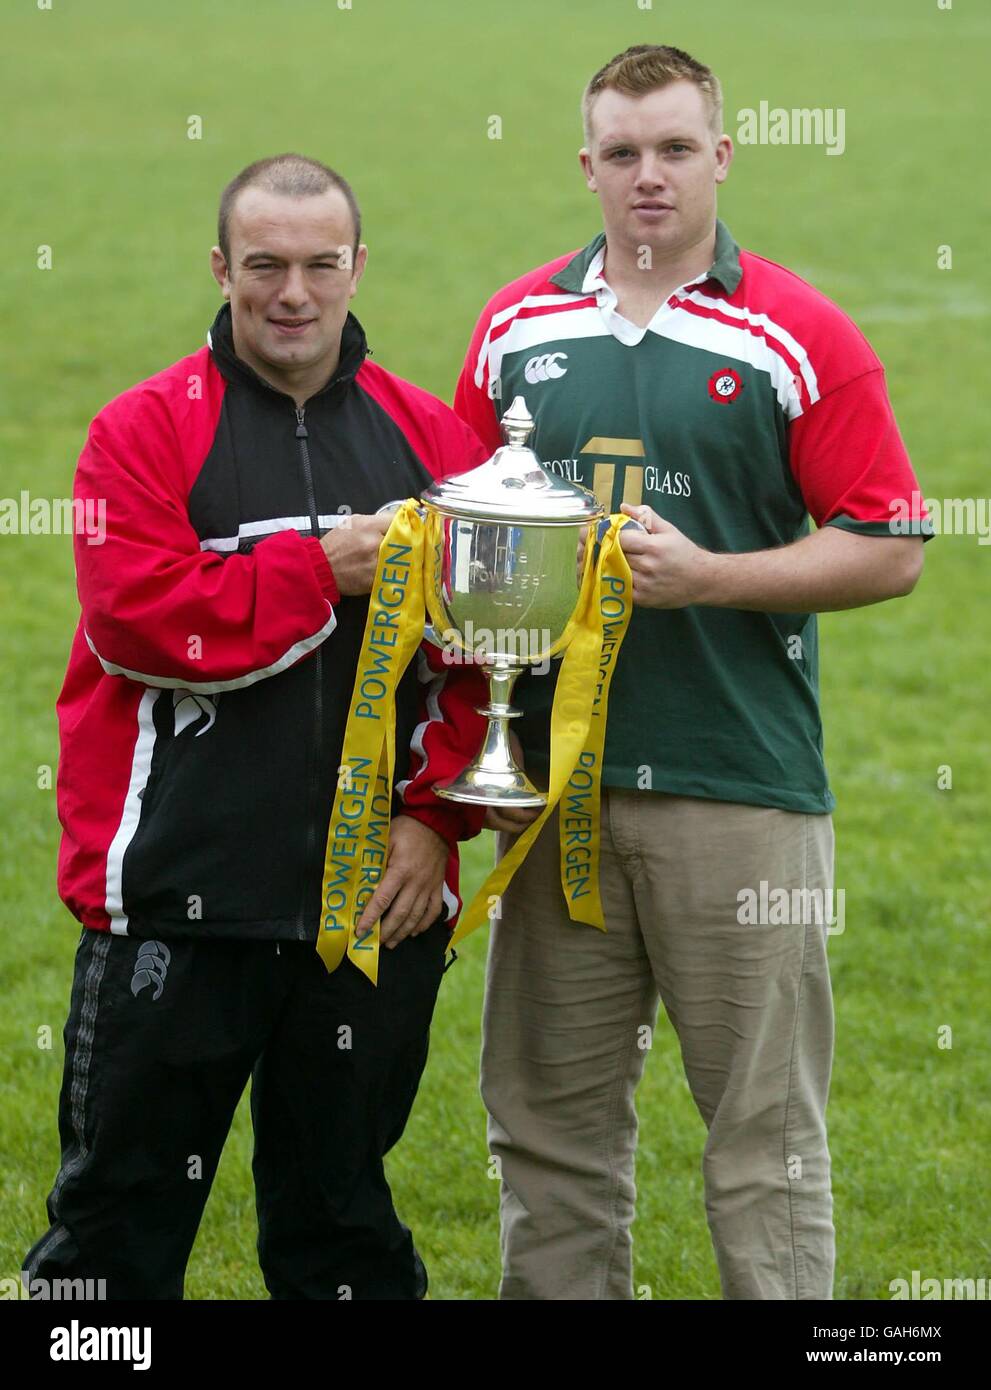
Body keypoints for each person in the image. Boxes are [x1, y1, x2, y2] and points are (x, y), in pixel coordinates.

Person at [451, 45, 932, 1300]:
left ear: (721, 156)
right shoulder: (515, 327)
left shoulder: (794, 331)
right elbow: (451, 537)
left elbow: (890, 550)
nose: (648, 177)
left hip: (738, 789)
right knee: (548, 1138)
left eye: (674, 149)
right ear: (587, 166)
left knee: (763, 1145)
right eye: (622, 152)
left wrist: (710, 576)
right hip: (554, 795)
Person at [22, 153, 489, 1301]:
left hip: (371, 906)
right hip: (178, 903)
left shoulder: (433, 440)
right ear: (221, 267)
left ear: (357, 268)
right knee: (113, 1231)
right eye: (266, 265)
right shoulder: (139, 431)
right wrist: (319, 568)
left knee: (342, 1225)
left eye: (320, 266)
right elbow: (137, 622)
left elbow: (482, 666)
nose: (293, 294)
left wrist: (431, 822)